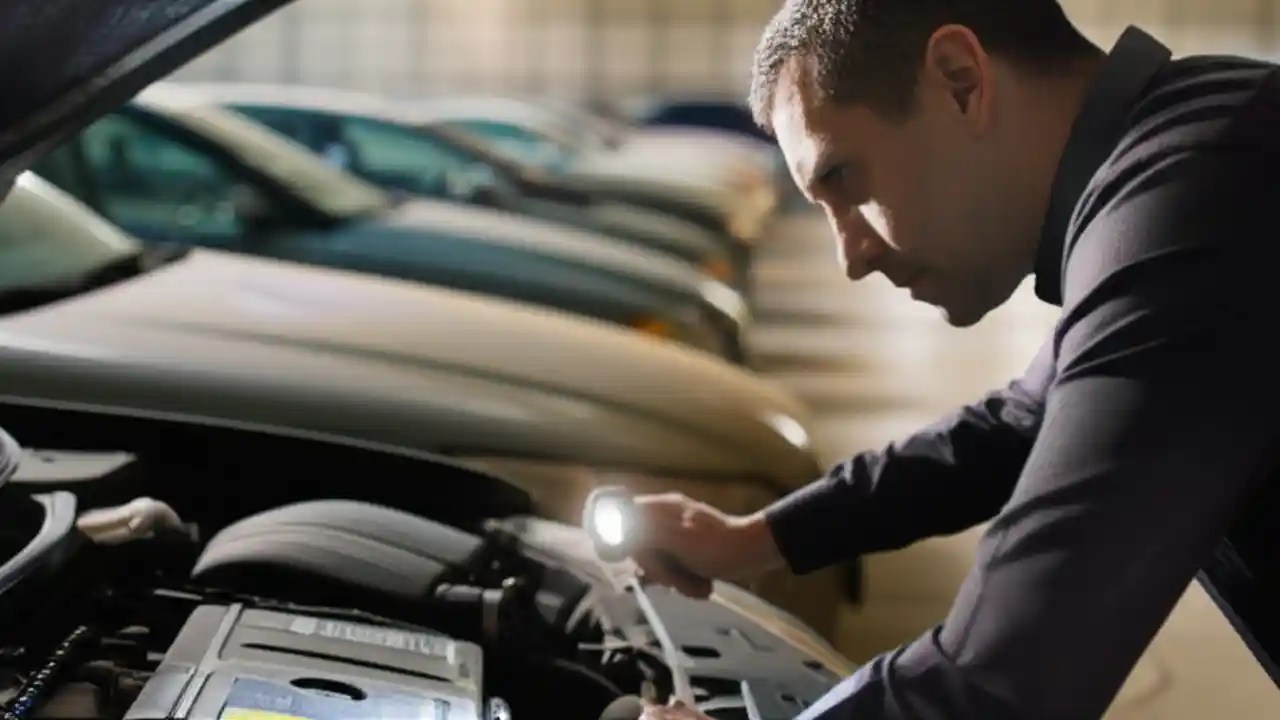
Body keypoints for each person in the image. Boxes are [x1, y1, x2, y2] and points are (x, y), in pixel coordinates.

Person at [632, 1, 1280, 718]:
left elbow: (1006, 677)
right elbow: (1018, 423)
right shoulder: (1192, 146)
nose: (851, 255)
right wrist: (755, 540)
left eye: (845, 179)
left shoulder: (1197, 206)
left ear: (961, 80)